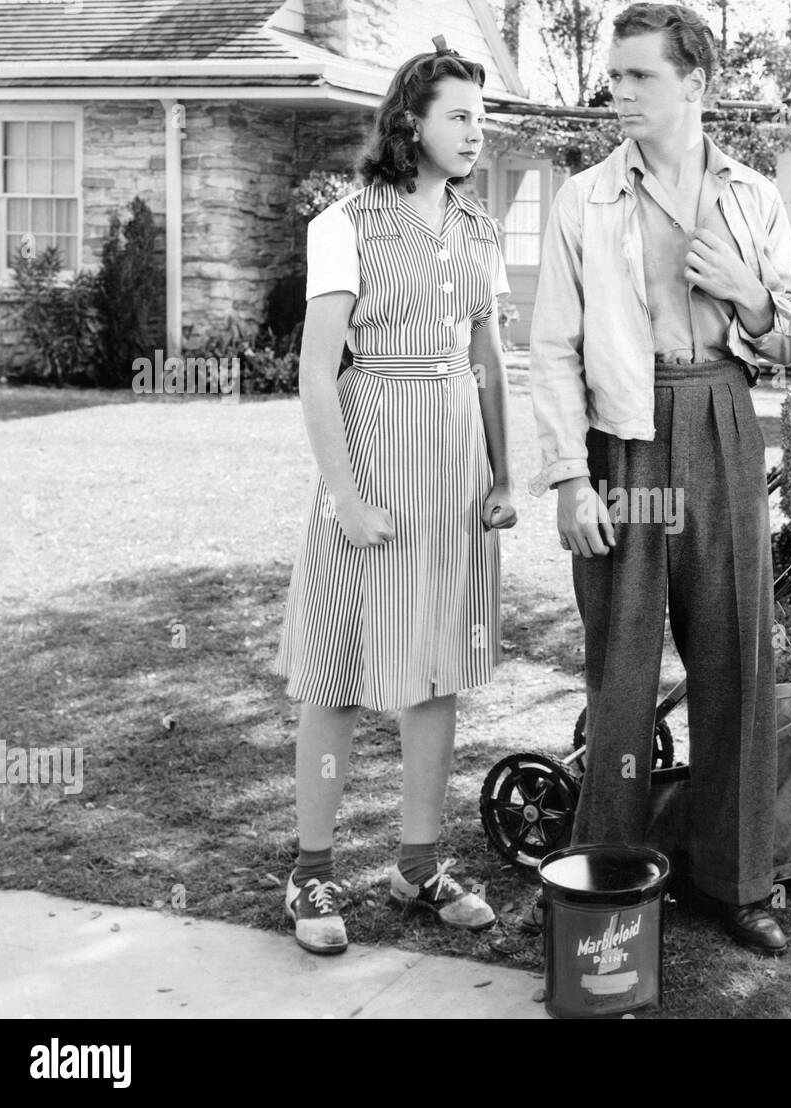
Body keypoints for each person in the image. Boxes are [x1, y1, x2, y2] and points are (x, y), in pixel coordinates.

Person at [527, 2, 791, 955]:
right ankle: (601, 882)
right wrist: (570, 478)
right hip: (623, 435)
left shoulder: (755, 198)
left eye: (640, 77)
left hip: (722, 421)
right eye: (615, 79)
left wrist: (750, 292)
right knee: (620, 670)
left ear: (696, 85)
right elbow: (553, 347)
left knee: (737, 656)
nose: (621, 95)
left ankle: (737, 882)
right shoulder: (583, 198)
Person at [274, 44, 517, 955]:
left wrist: (502, 476)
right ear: (410, 122)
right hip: (373, 465)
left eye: (479, 117)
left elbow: (487, 358)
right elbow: (315, 369)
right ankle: (310, 874)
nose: (475, 131)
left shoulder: (477, 227)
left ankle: (419, 865)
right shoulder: (345, 223)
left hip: (455, 470)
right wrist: (344, 497)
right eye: (459, 116)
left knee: (436, 672)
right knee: (337, 672)